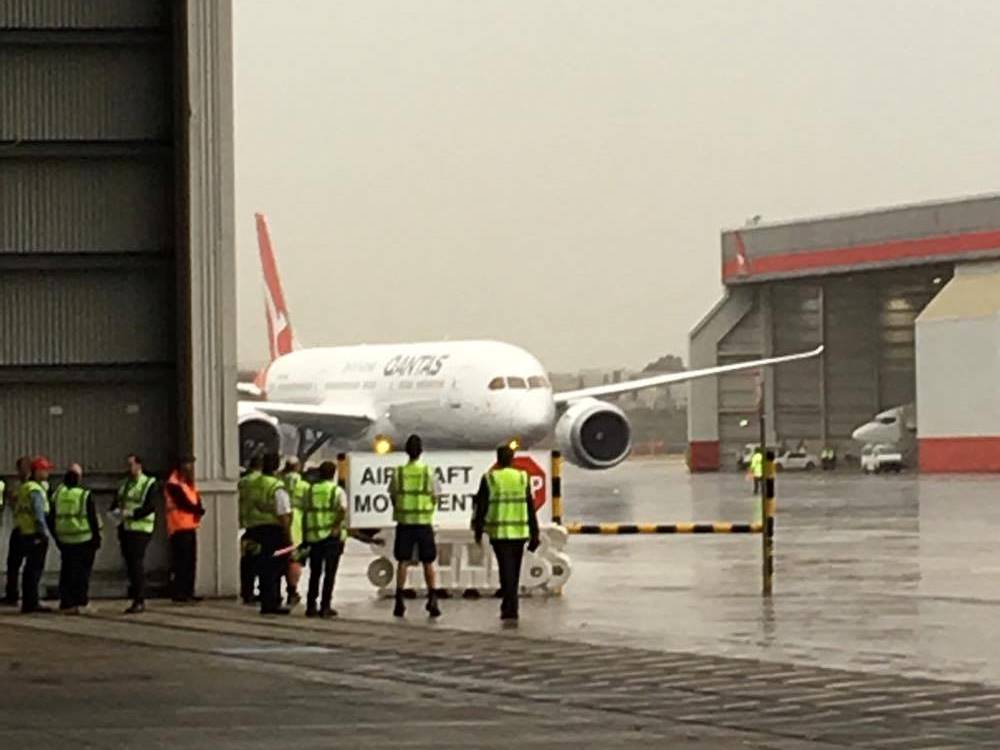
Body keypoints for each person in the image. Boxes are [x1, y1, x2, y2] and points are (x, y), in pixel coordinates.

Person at [473, 445, 540, 621]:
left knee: (505, 569)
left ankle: (509, 606)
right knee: (515, 570)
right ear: (512, 459)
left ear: (497, 459)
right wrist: (535, 533)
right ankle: (511, 604)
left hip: (500, 532)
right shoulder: (521, 478)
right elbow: (530, 507)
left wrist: (478, 530)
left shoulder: (490, 478)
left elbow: (481, 506)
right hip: (519, 531)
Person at [388, 434, 441, 618]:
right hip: (424, 522)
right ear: (421, 451)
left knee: (402, 561)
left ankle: (399, 599)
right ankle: (432, 597)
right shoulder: (427, 471)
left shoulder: (399, 472)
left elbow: (393, 495)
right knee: (428, 562)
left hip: (404, 522)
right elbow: (435, 495)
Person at [244, 452, 293, 615]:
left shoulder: (253, 483)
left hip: (254, 529)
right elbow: (283, 513)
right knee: (276, 568)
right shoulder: (276, 486)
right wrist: (288, 536)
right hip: (273, 531)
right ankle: (273, 602)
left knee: (262, 566)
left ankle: (265, 600)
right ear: (277, 466)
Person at [51, 464, 101, 614]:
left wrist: (56, 536)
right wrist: (97, 538)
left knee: (66, 571)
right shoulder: (84, 495)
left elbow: (51, 516)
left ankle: (66, 602)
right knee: (82, 573)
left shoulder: (57, 494)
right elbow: (92, 518)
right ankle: (81, 602)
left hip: (64, 539)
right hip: (83, 538)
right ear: (79, 478)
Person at [302, 460, 348, 618]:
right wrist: (335, 526)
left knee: (315, 573)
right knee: (330, 573)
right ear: (333, 474)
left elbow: (305, 512)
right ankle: (325, 606)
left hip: (313, 536)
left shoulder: (310, 490)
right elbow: (342, 510)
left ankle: (310, 605)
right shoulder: (336, 491)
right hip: (330, 537)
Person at [112, 455, 158, 614]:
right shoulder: (124, 485)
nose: (128, 468)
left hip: (141, 529)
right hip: (125, 528)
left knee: (136, 563)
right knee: (131, 564)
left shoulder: (148, 483)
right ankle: (136, 596)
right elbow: (115, 503)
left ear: (139, 465)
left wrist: (129, 513)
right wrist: (116, 514)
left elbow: (150, 506)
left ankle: (139, 599)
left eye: (131, 464)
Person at [16, 457, 54, 614]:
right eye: (45, 470)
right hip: (35, 534)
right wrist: (43, 533)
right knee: (35, 570)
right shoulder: (35, 490)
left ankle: (28, 602)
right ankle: (32, 602)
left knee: (29, 569)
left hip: (25, 532)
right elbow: (39, 515)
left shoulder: (25, 487)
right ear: (37, 471)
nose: (48, 473)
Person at [164, 455, 205, 603]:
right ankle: (180, 592)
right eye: (187, 464)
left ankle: (188, 591)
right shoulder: (173, 484)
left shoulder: (187, 483)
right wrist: (198, 510)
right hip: (178, 527)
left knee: (189, 561)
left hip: (189, 526)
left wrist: (198, 509)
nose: (189, 468)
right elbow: (183, 503)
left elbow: (195, 499)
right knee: (181, 562)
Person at [2, 456, 31, 606]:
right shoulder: (19, 486)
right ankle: (12, 594)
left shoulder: (31, 487)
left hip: (28, 530)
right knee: (13, 564)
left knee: (25, 566)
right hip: (20, 528)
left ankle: (21, 596)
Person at [280, 457, 309, 607]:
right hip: (297, 526)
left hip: (278, 524)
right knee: (295, 560)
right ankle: (292, 591)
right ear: (297, 467)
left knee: (279, 560)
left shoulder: (278, 483)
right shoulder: (304, 486)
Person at [238, 453, 264, 605]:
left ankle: (246, 591)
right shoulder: (261, 481)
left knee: (247, 561)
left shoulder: (243, 481)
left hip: (246, 524)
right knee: (261, 560)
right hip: (261, 525)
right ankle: (262, 589)